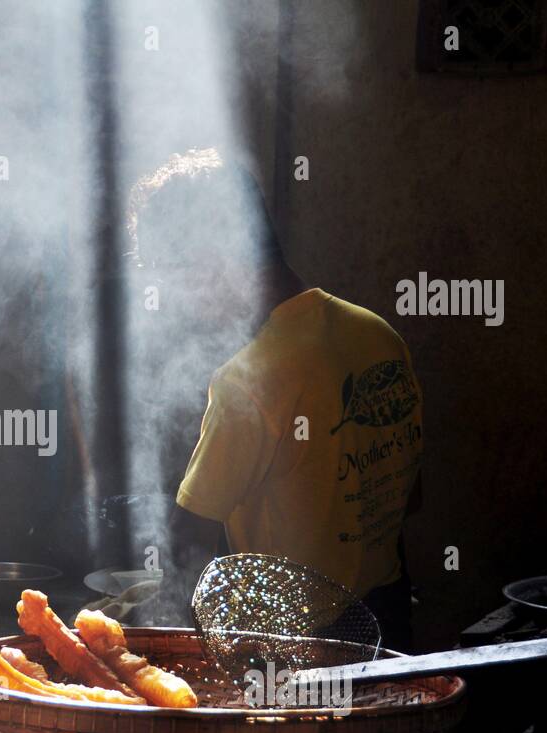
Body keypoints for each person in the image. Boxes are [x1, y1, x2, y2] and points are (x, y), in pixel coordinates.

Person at [130, 149, 422, 651]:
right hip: (388, 627)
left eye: (171, 274)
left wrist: (137, 641)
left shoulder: (249, 381)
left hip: (294, 652)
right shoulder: (378, 336)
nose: (172, 298)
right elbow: (411, 496)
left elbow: (186, 550)